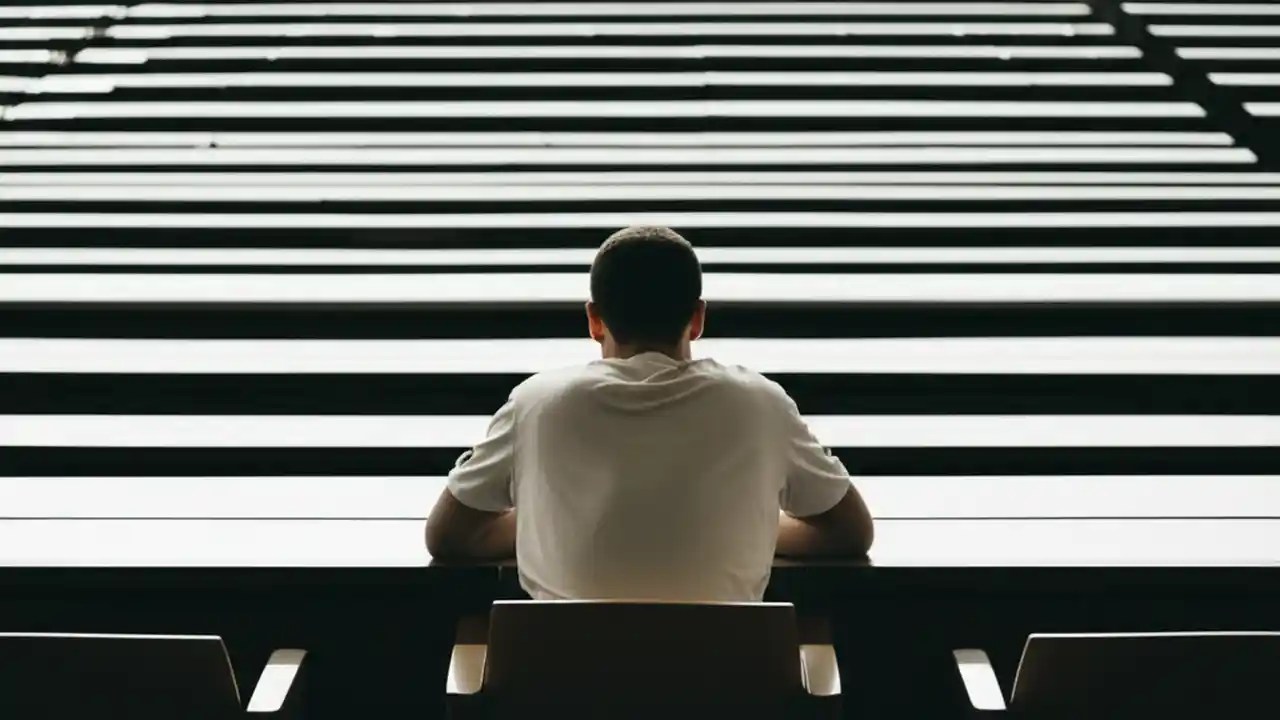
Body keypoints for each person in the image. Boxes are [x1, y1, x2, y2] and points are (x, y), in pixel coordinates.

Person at [425, 225, 873, 601]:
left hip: (561, 695)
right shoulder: (762, 403)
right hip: (726, 695)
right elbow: (850, 532)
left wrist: (551, 522)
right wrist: (744, 523)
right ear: (697, 319)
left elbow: (448, 537)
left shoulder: (534, 404)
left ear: (593, 320)